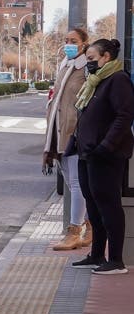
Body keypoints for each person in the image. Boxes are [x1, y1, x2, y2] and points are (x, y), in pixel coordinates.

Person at [70, 39, 134, 274]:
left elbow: (124, 116)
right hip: (87, 153)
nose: (88, 63)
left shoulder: (118, 79)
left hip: (106, 155)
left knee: (108, 206)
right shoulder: (97, 80)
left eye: (91, 59)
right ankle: (97, 254)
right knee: (94, 206)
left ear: (106, 57)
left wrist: (106, 146)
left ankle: (116, 260)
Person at [45, 28, 92, 250]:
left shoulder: (86, 68)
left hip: (75, 131)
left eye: (73, 41)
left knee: (77, 182)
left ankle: (74, 231)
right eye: (66, 40)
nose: (68, 44)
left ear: (84, 43)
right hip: (59, 130)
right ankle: (90, 226)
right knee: (70, 181)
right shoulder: (65, 64)